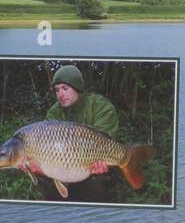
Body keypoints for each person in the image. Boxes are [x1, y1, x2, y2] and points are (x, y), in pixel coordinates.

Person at [34, 63, 121, 202]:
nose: (60, 94)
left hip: (95, 166)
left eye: (65, 88)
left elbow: (107, 139)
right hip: (63, 166)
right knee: (46, 180)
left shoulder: (100, 106)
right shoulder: (54, 112)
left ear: (77, 87)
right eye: (57, 90)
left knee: (98, 183)